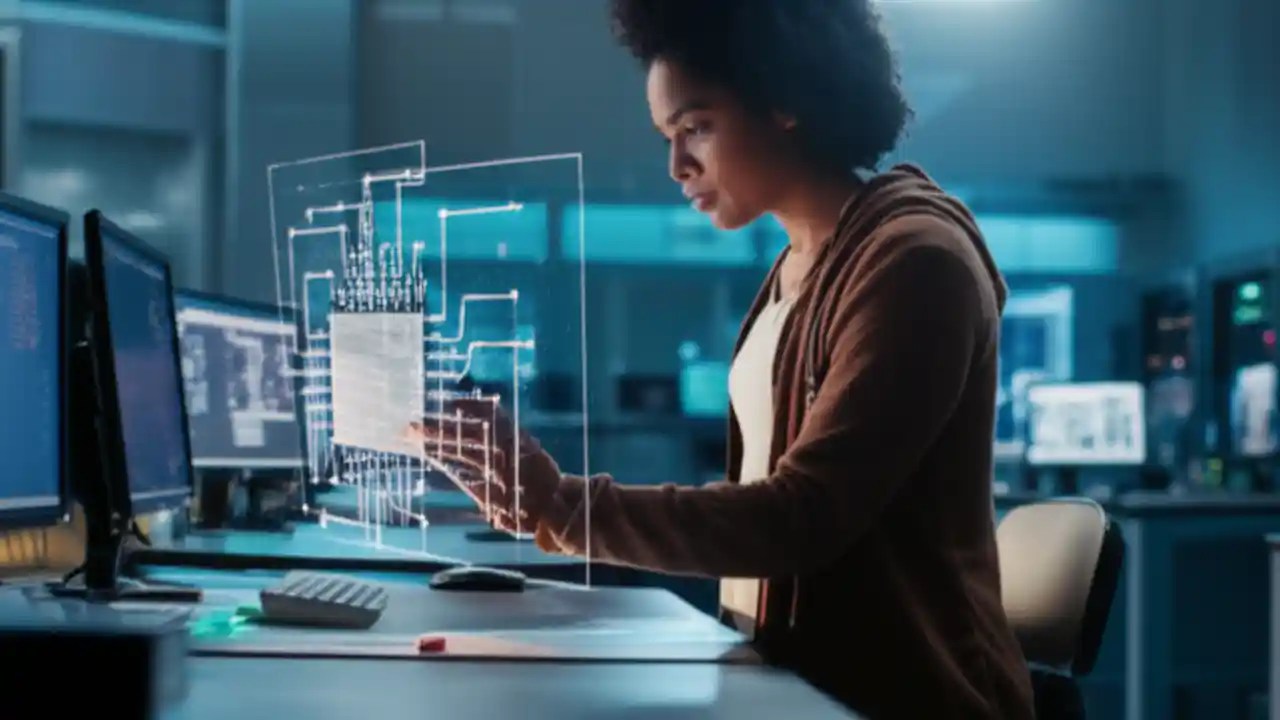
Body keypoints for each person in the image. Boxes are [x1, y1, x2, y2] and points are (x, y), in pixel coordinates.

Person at [410, 0, 1035, 716]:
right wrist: (552, 507)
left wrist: (557, 504)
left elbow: (800, 519)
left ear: (785, 97)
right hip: (793, 683)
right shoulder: (801, 267)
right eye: (668, 137)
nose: (677, 165)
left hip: (898, 700)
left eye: (697, 127)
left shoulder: (915, 264)